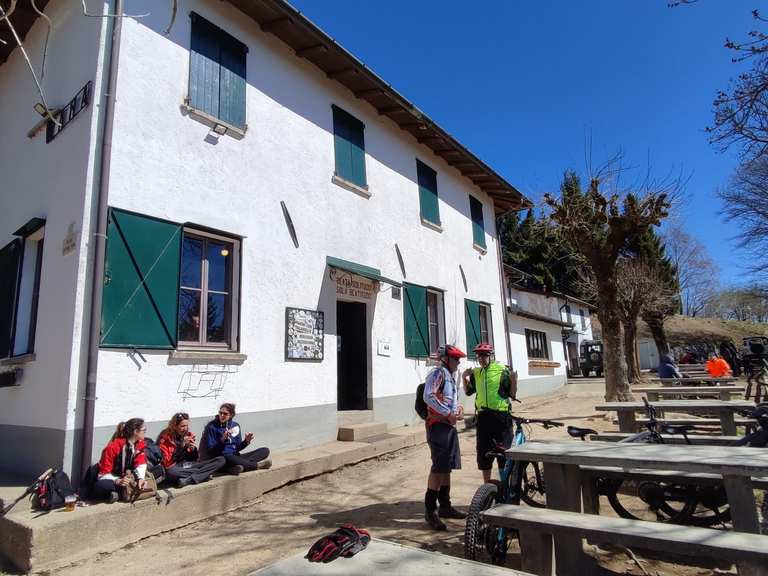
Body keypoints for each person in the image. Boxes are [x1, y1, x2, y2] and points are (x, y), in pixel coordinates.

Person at [423, 344, 467, 531]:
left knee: (447, 466)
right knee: (438, 467)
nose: (458, 362)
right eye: (456, 359)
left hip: (448, 426)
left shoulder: (450, 376)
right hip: (438, 426)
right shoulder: (438, 373)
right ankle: (430, 510)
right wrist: (447, 413)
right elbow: (428, 396)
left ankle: (445, 506)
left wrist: (458, 410)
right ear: (446, 359)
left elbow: (450, 400)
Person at [462, 343, 517, 484]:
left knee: (503, 452)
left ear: (491, 356)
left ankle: (505, 486)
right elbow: (468, 392)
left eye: (484, 355)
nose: (481, 358)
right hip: (483, 417)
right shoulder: (476, 373)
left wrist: (513, 380)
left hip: (501, 417)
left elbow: (512, 394)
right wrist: (464, 378)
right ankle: (486, 487)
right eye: (479, 355)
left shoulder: (502, 370)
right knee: (484, 453)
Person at [157, 412, 226, 488]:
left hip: (186, 466)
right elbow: (167, 463)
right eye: (182, 426)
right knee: (171, 472)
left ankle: (190, 479)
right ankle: (203, 475)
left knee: (221, 460)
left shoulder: (188, 435)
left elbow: (194, 459)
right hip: (174, 468)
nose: (185, 428)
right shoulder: (166, 438)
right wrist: (182, 446)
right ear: (175, 426)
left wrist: (193, 449)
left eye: (187, 426)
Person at [200, 403, 272, 474]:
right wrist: (222, 440)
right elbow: (211, 451)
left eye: (225, 414)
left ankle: (236, 467)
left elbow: (237, 448)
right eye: (220, 413)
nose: (222, 415)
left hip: (235, 457)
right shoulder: (211, 427)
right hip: (221, 458)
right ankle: (256, 465)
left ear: (231, 415)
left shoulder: (235, 426)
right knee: (228, 457)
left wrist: (246, 441)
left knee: (265, 450)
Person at [95, 418, 148, 503]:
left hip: (128, 477)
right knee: (100, 485)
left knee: (157, 471)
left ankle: (119, 493)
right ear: (135, 431)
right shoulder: (112, 447)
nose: (145, 431)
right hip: (114, 478)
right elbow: (102, 475)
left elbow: (141, 463)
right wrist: (118, 481)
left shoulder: (140, 443)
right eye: (144, 430)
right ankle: (122, 492)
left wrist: (141, 479)